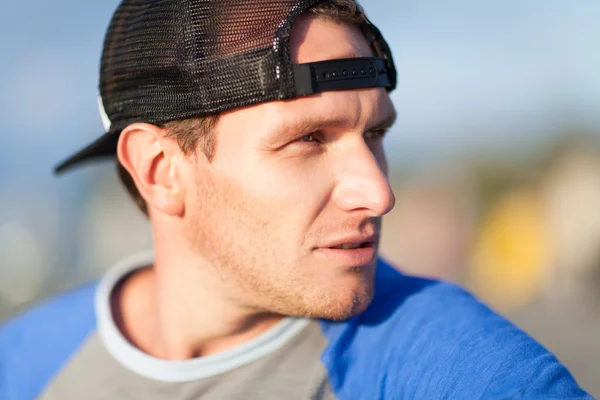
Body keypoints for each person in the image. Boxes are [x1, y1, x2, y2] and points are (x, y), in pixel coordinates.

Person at [0, 1, 592, 399]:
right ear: (160, 170)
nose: (379, 192)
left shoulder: (453, 366)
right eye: (308, 139)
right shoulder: (26, 365)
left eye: (375, 135)